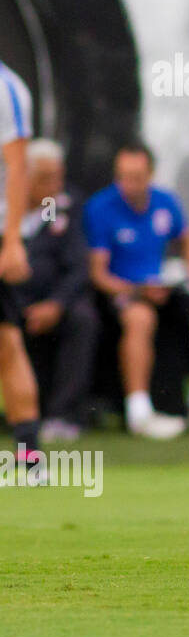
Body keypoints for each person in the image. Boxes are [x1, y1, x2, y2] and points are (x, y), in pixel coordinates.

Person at [84, 142, 189, 438]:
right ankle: (139, 412)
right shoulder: (100, 208)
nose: (128, 184)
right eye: (123, 176)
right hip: (123, 293)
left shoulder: (166, 202)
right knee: (140, 319)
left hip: (163, 290)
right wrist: (136, 290)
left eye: (136, 177)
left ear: (151, 174)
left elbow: (188, 239)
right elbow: (99, 275)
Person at [15, 139, 99, 441]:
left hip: (56, 301)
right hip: (12, 300)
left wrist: (56, 304)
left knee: (83, 318)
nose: (55, 185)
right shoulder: (6, 207)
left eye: (58, 176)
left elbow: (79, 266)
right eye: (46, 178)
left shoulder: (68, 206)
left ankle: (63, 415)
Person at [0, 58, 42, 479]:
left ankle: (30, 457)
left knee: (7, 343)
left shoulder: (6, 88)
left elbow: (18, 165)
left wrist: (13, 240)